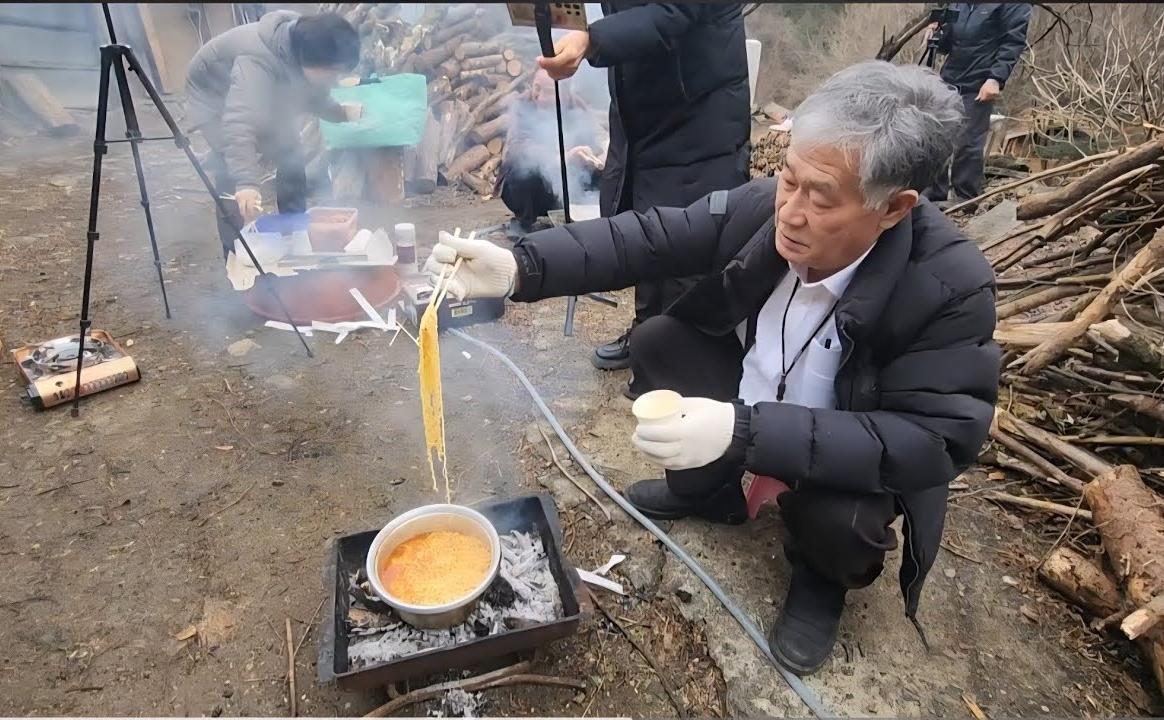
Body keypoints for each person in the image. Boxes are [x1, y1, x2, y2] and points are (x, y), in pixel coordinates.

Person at [426, 61, 1000, 675]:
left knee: (847, 522)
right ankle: (713, 491)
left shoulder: (950, 286)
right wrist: (523, 267)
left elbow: (935, 438)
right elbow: (647, 238)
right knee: (659, 343)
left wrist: (741, 431)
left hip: (843, 447)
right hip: (751, 401)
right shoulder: (765, 209)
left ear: (894, 208)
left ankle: (820, 580)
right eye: (788, 179)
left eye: (821, 197)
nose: (791, 212)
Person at [536, 3, 751, 395]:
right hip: (645, 111)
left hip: (699, 118)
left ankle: (679, 359)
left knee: (687, 237)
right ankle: (648, 335)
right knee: (644, 221)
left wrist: (592, 40)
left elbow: (674, 11)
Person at [185, 11, 361, 257]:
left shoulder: (303, 47)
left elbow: (312, 92)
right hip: (213, 95)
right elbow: (238, 123)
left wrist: (340, 113)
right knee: (231, 169)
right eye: (334, 73)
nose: (336, 81)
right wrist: (246, 181)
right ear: (310, 60)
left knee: (291, 153)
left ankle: (294, 232)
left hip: (260, 90)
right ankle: (235, 251)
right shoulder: (256, 60)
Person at [924, 3, 1033, 206]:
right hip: (949, 78)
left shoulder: (1013, 6)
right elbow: (948, 45)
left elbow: (1013, 42)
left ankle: (965, 200)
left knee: (968, 141)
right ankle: (932, 196)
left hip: (979, 82)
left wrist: (995, 79)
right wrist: (936, 30)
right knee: (935, 136)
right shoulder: (961, 4)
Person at [496, 70, 607, 233]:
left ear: (565, 93)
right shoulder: (522, 105)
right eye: (536, 87)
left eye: (548, 92)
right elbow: (519, 147)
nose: (539, 96)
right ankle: (524, 222)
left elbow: (594, 145)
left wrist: (593, 156)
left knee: (608, 172)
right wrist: (563, 158)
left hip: (572, 191)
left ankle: (594, 217)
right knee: (519, 168)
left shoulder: (577, 108)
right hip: (538, 193)